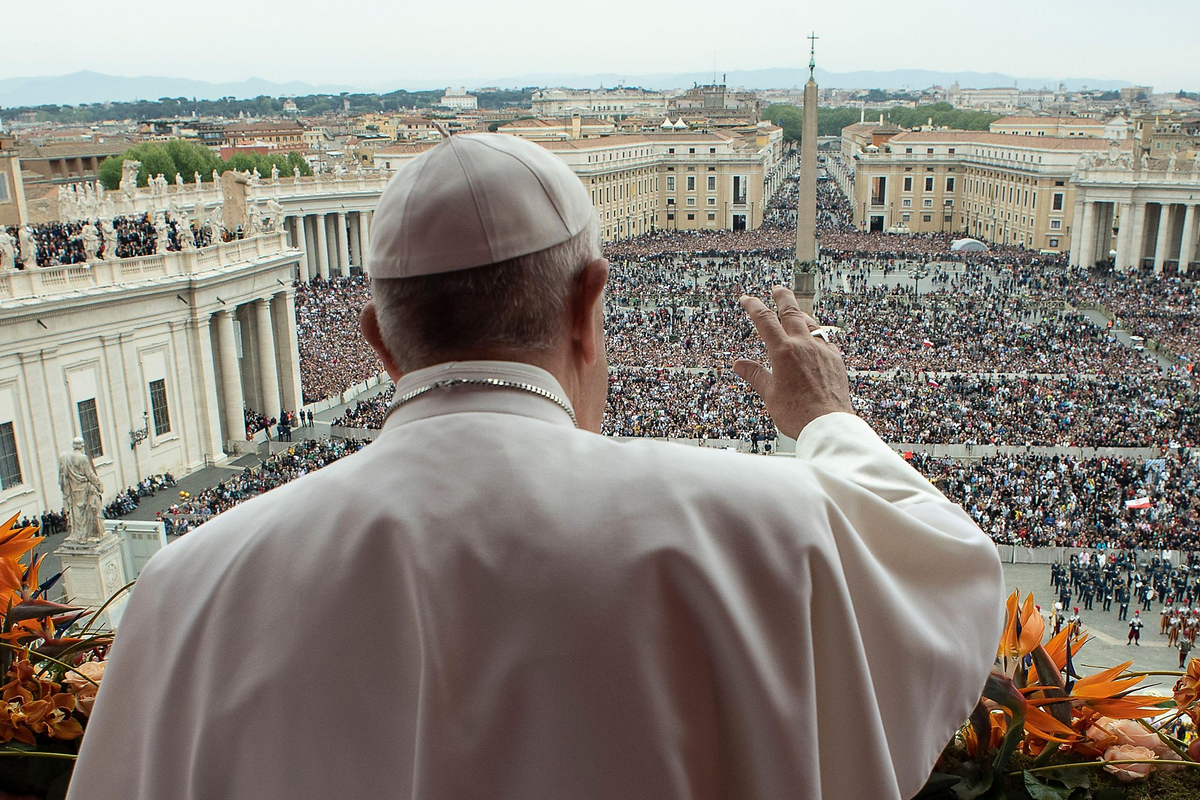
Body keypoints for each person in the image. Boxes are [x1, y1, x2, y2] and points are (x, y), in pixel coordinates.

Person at [68, 133, 1005, 800]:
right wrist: (828, 420)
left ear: (380, 346)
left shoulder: (188, 585)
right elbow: (949, 565)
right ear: (588, 307)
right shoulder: (764, 525)